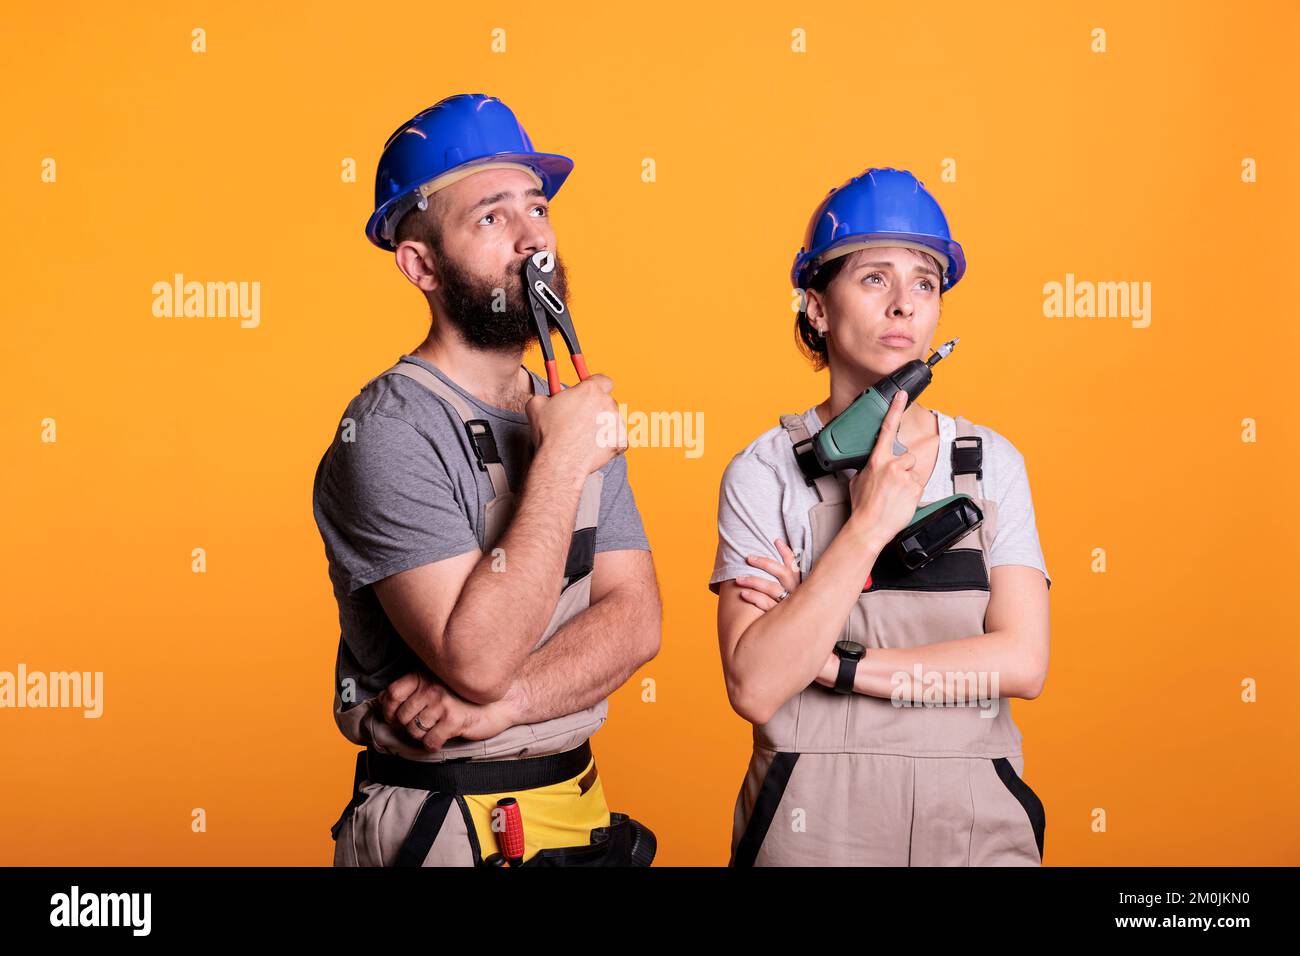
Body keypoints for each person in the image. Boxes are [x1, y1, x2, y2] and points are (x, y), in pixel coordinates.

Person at [313, 93, 661, 867]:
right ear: (421, 265)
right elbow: (476, 657)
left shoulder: (566, 408)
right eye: (492, 217)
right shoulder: (389, 430)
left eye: (537, 208)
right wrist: (565, 462)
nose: (533, 239)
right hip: (444, 824)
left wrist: (506, 705)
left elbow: (636, 621)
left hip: (575, 803)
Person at [710, 167, 1051, 866]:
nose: (904, 305)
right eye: (874, 278)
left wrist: (833, 665)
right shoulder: (764, 471)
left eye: (924, 282)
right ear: (816, 307)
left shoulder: (990, 462)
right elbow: (755, 683)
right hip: (810, 826)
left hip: (974, 823)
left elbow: (1022, 661)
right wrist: (865, 526)